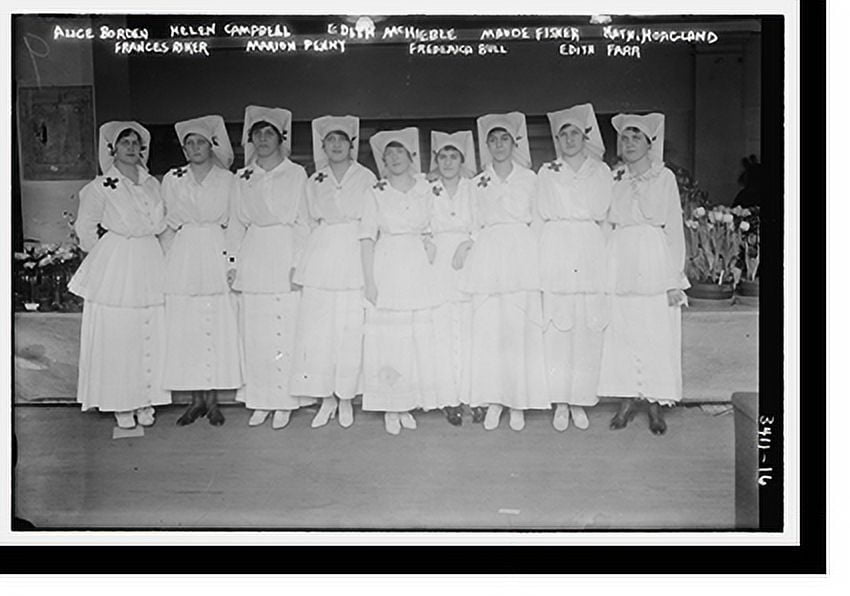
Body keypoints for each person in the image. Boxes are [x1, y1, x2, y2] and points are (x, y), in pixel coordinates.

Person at [68, 121, 170, 429]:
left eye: (134, 142)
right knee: (119, 334)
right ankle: (121, 402)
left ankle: (146, 398)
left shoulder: (153, 184)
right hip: (119, 259)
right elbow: (85, 227)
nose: (129, 147)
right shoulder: (100, 186)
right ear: (112, 148)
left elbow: (163, 224)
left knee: (148, 329)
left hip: (150, 257)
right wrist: (105, 256)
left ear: (142, 148)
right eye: (123, 142)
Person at [598, 113, 688, 435]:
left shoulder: (663, 178)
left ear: (650, 143)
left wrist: (674, 278)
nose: (630, 143)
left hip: (653, 257)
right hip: (620, 257)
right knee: (622, 331)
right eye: (625, 137)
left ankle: (654, 405)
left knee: (654, 332)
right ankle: (625, 400)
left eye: (637, 137)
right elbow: (606, 224)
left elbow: (674, 228)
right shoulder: (613, 176)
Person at [460, 112, 549, 431]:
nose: (499, 145)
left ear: (515, 143)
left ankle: (518, 401)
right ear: (486, 145)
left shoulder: (530, 178)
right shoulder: (477, 182)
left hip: (521, 254)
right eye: (493, 140)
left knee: (518, 329)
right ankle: (494, 399)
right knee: (490, 330)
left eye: (504, 139)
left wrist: (534, 259)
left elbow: (538, 220)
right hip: (488, 254)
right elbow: (472, 223)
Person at [228, 106, 314, 429]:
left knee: (285, 328)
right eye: (257, 134)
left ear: (281, 138)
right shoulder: (242, 176)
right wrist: (233, 262)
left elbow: (304, 222)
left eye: (269, 134)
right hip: (254, 254)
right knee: (256, 331)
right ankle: (261, 399)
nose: (263, 140)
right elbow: (236, 224)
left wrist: (297, 264)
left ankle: (285, 401)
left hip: (284, 251)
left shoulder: (295, 174)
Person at [290, 115, 376, 428]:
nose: (336, 145)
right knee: (320, 334)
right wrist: (299, 264)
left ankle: (346, 397)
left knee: (350, 332)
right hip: (321, 259)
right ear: (323, 146)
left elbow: (371, 222)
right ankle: (325, 398)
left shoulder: (366, 177)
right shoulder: (315, 180)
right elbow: (304, 223)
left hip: (353, 256)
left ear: (352, 144)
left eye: (342, 139)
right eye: (330, 140)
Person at [161, 115, 241, 426]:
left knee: (217, 324)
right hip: (184, 252)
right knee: (189, 328)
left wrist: (232, 261)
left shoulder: (227, 179)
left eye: (201, 142)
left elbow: (235, 223)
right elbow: (167, 223)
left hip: (215, 247)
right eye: (189, 143)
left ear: (212, 145)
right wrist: (169, 261)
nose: (195, 148)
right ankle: (195, 400)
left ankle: (214, 401)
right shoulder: (173, 177)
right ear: (184, 150)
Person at [536, 104, 612, 431]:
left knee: (586, 326)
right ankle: (561, 402)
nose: (569, 139)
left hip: (589, 249)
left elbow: (606, 219)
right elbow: (539, 219)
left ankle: (581, 399)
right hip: (556, 248)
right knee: (558, 326)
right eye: (563, 134)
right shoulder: (547, 171)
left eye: (574, 133)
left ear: (585, 136)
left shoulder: (601, 171)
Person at [360, 127, 441, 435]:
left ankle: (408, 402)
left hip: (418, 266)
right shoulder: (376, 191)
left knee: (414, 336)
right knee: (388, 339)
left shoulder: (425, 188)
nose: (395, 158)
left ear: (411, 157)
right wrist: (369, 280)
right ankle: (390, 405)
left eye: (400, 152)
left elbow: (435, 225)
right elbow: (367, 237)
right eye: (388, 154)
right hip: (388, 264)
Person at [427, 130, 479, 426]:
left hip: (469, 256)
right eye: (442, 156)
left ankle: (474, 395)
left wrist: (468, 243)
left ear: (462, 160)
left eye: (453, 156)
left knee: (470, 327)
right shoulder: (427, 188)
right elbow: (418, 222)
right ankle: (449, 397)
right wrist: (426, 242)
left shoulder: (474, 187)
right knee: (443, 327)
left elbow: (484, 221)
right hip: (437, 262)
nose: (447, 161)